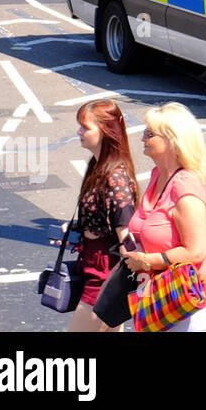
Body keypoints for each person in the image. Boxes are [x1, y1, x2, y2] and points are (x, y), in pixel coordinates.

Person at [122, 103, 206, 331]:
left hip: (193, 304)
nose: (142, 138)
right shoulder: (158, 174)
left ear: (172, 141)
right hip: (162, 297)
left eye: (149, 134)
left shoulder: (186, 187)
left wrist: (146, 260)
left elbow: (195, 251)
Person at [66, 100, 138, 332]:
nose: (79, 132)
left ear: (105, 131)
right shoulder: (98, 166)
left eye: (85, 127)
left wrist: (118, 288)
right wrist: (77, 228)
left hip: (103, 275)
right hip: (94, 266)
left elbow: (126, 237)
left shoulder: (115, 177)